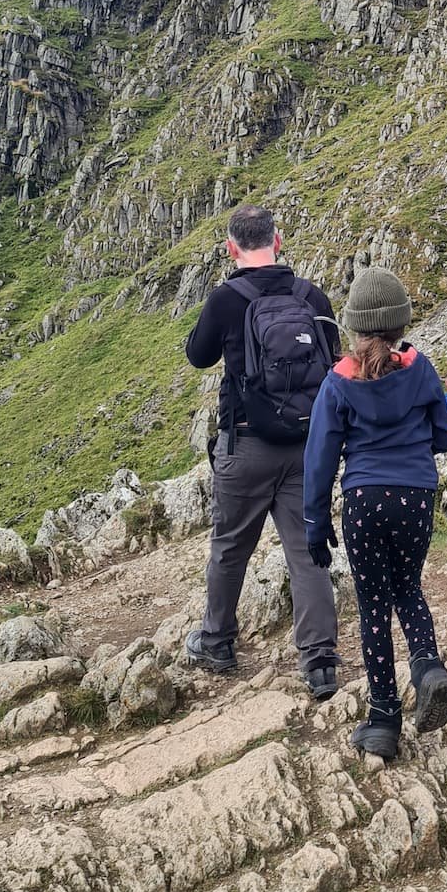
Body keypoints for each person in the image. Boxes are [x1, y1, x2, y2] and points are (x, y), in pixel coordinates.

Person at [184, 204, 341, 697]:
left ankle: (217, 642)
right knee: (306, 552)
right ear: (279, 239)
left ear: (232, 247)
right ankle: (319, 664)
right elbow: (335, 362)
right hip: (305, 447)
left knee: (230, 547)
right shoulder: (310, 295)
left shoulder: (226, 299)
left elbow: (198, 356)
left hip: (246, 443)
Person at [303, 268, 447, 762]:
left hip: (365, 500)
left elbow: (320, 455)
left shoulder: (338, 382)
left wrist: (314, 519)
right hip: (416, 496)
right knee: (408, 588)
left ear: (353, 326)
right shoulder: (423, 369)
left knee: (374, 605)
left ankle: (384, 719)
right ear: (399, 323)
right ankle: (429, 667)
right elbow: (443, 438)